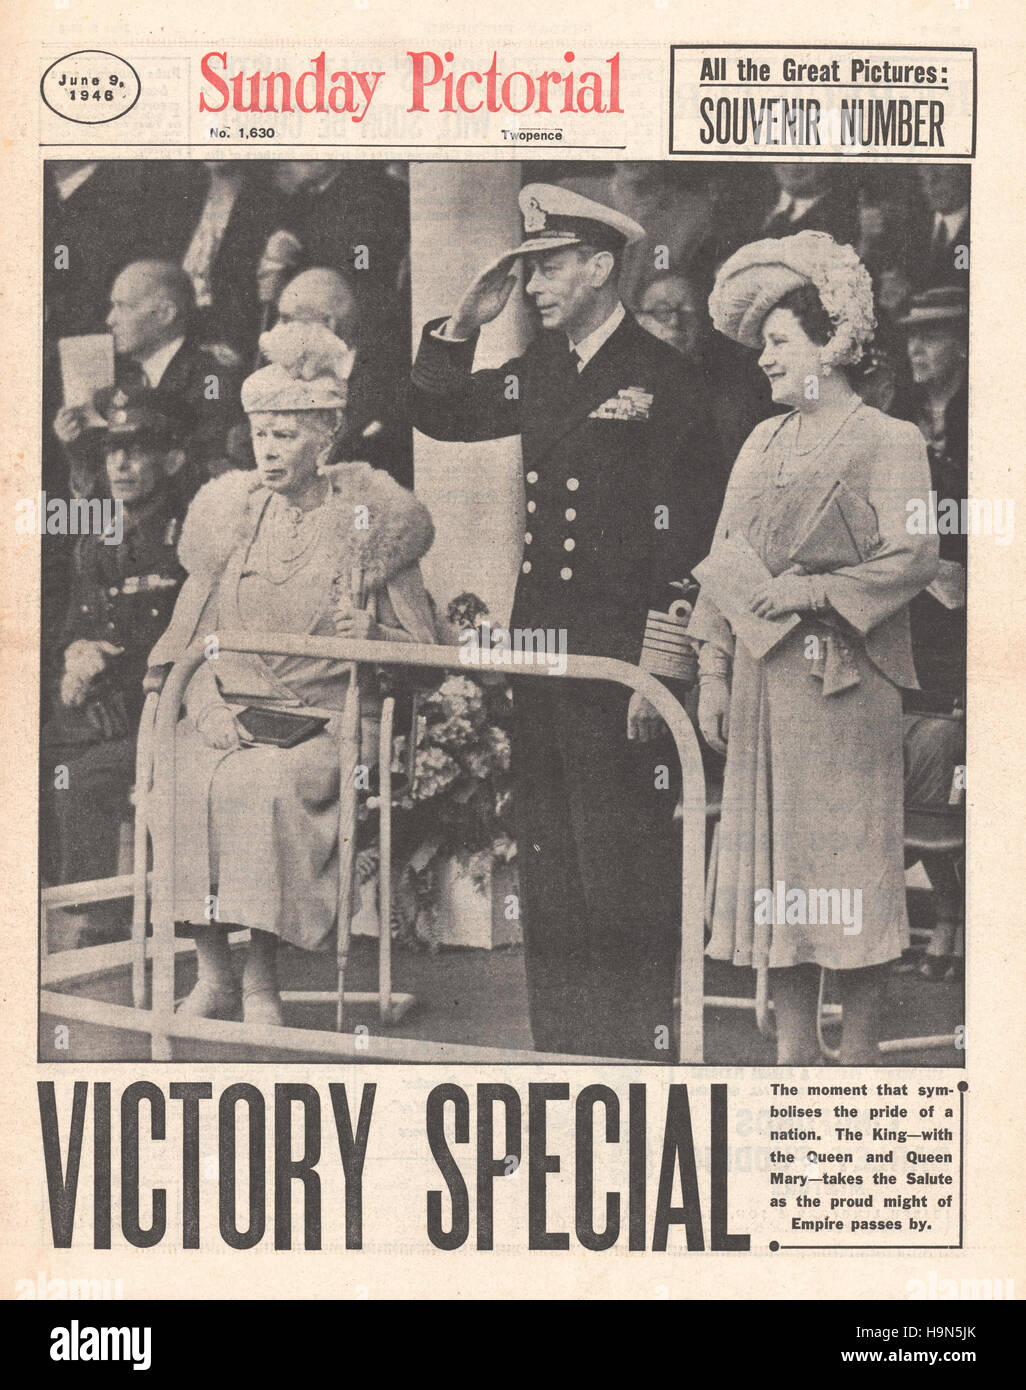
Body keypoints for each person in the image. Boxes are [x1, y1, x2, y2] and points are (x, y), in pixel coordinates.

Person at [410, 182, 722, 1060]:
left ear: (600, 266)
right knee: (552, 861)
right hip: (542, 648)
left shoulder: (667, 380)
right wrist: (463, 323)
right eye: (530, 268)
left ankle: (637, 1045)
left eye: (548, 266)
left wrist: (660, 666)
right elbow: (439, 413)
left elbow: (691, 535)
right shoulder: (542, 370)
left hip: (621, 662)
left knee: (622, 862)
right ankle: (567, 1047)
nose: (535, 285)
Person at [689, 231, 938, 1065]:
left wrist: (814, 589)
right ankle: (794, 1052)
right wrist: (713, 672)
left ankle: (859, 1050)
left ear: (829, 345)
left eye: (779, 341)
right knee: (779, 877)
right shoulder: (760, 442)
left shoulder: (887, 437)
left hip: (845, 690)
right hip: (765, 690)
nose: (764, 359)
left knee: (850, 870)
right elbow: (724, 558)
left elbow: (914, 554)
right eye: (763, 344)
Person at [145, 321, 436, 1025]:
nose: (269, 450)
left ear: (326, 440)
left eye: (288, 435)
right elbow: (184, 640)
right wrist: (200, 703)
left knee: (264, 787)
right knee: (179, 776)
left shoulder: (373, 522)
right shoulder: (230, 518)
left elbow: (426, 652)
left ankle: (260, 985)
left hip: (329, 724)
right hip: (227, 711)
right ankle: (212, 973)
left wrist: (375, 635)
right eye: (262, 435)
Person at [41, 389, 187, 944]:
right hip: (102, 709)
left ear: (171, 458)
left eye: (138, 450)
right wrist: (74, 653)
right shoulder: (96, 534)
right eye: (111, 453)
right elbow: (74, 626)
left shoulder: (187, 533)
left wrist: (107, 669)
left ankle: (97, 921)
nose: (121, 465)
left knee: (81, 777)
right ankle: (58, 910)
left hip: (161, 711)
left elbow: (186, 644)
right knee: (34, 754)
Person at [895, 287, 969, 981]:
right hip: (916, 620)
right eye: (912, 336)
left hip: (975, 625)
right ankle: (945, 913)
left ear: (965, 344)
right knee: (931, 762)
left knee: (962, 764)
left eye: (934, 336)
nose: (919, 349)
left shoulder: (989, 417)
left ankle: (957, 916)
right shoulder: (900, 420)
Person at [53, 260, 243, 499]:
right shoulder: (127, 383)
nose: (110, 319)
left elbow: (214, 478)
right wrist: (78, 449)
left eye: (123, 307)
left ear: (165, 314)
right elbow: (108, 492)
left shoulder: (213, 379)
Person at [274, 266, 412, 484]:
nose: (276, 331)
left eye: (287, 320)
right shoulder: (296, 381)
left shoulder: (383, 392)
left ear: (329, 324)